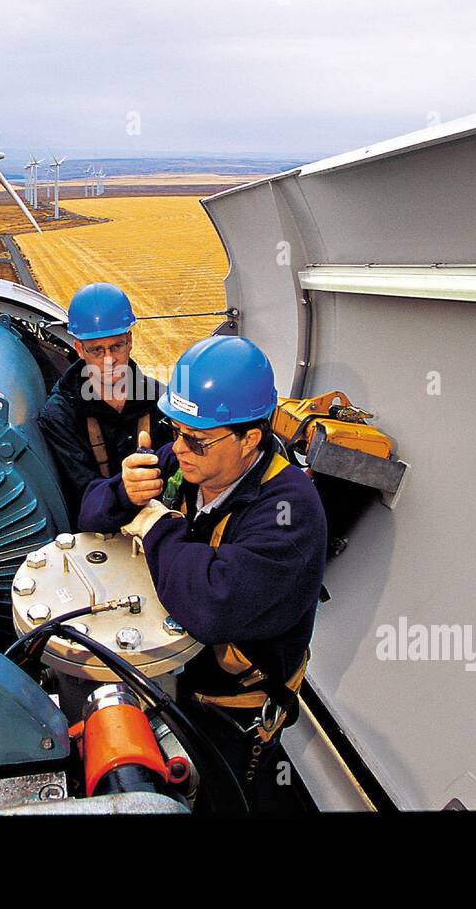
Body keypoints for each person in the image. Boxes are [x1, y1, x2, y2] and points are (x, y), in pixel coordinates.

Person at [77, 335, 327, 809]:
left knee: (222, 797)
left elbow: (213, 604)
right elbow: (88, 511)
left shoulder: (290, 512)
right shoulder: (189, 461)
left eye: (195, 439)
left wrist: (156, 526)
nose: (179, 447)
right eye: (175, 429)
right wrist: (122, 492)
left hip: (235, 711)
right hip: (180, 680)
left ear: (249, 439)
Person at [38, 282, 172, 524]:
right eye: (97, 350)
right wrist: (124, 492)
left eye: (117, 346)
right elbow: (80, 498)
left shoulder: (158, 398)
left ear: (130, 340)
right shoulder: (61, 414)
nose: (109, 360)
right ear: (79, 349)